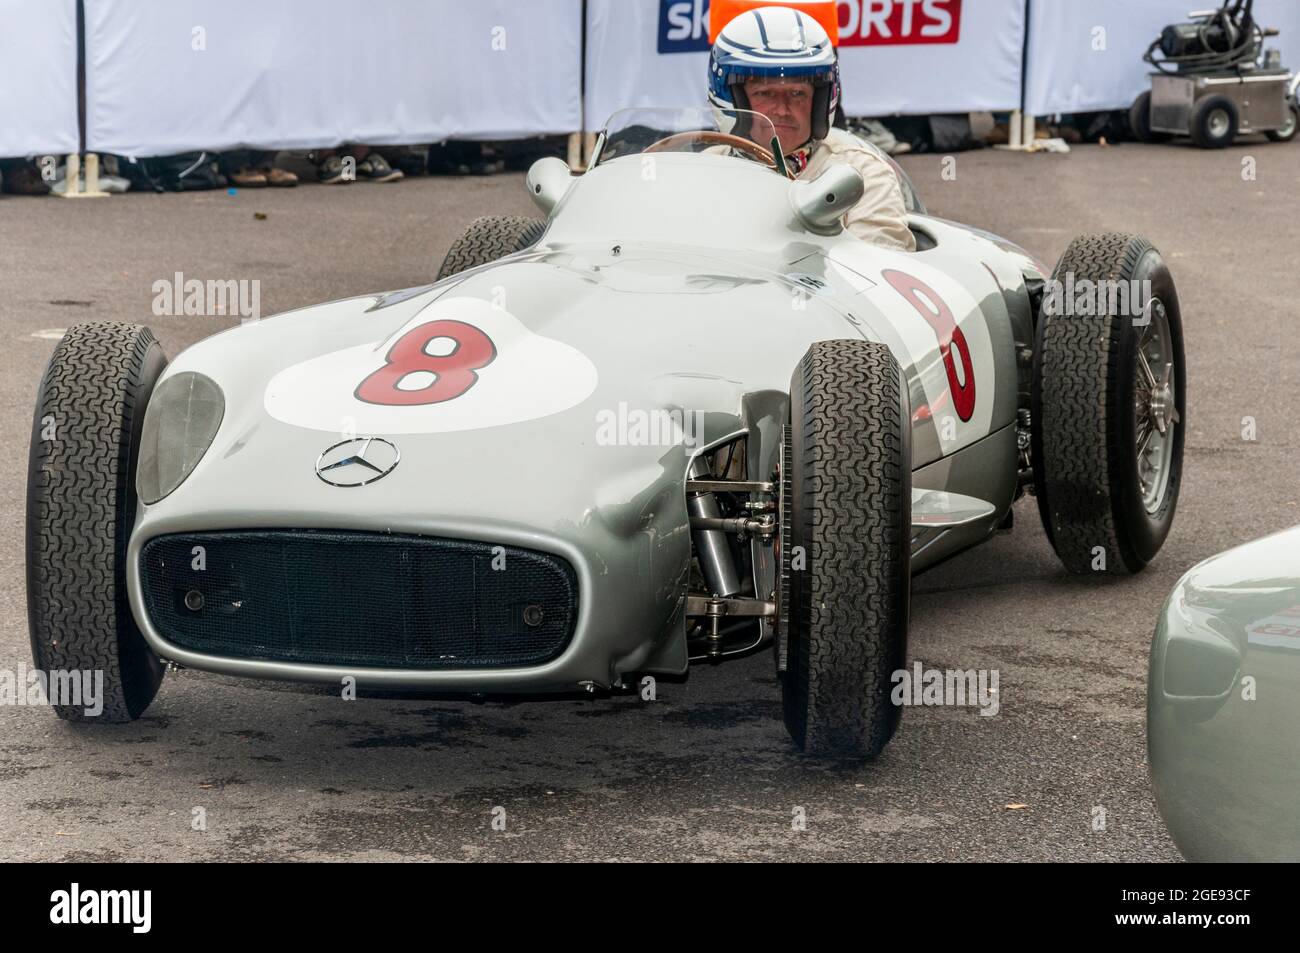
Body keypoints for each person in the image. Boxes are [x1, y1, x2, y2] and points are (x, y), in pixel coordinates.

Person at [707, 6, 916, 252]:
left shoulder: (861, 173)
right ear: (732, 98)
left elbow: (876, 273)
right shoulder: (704, 170)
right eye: (765, 93)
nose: (782, 110)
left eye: (797, 94)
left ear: (819, 102)